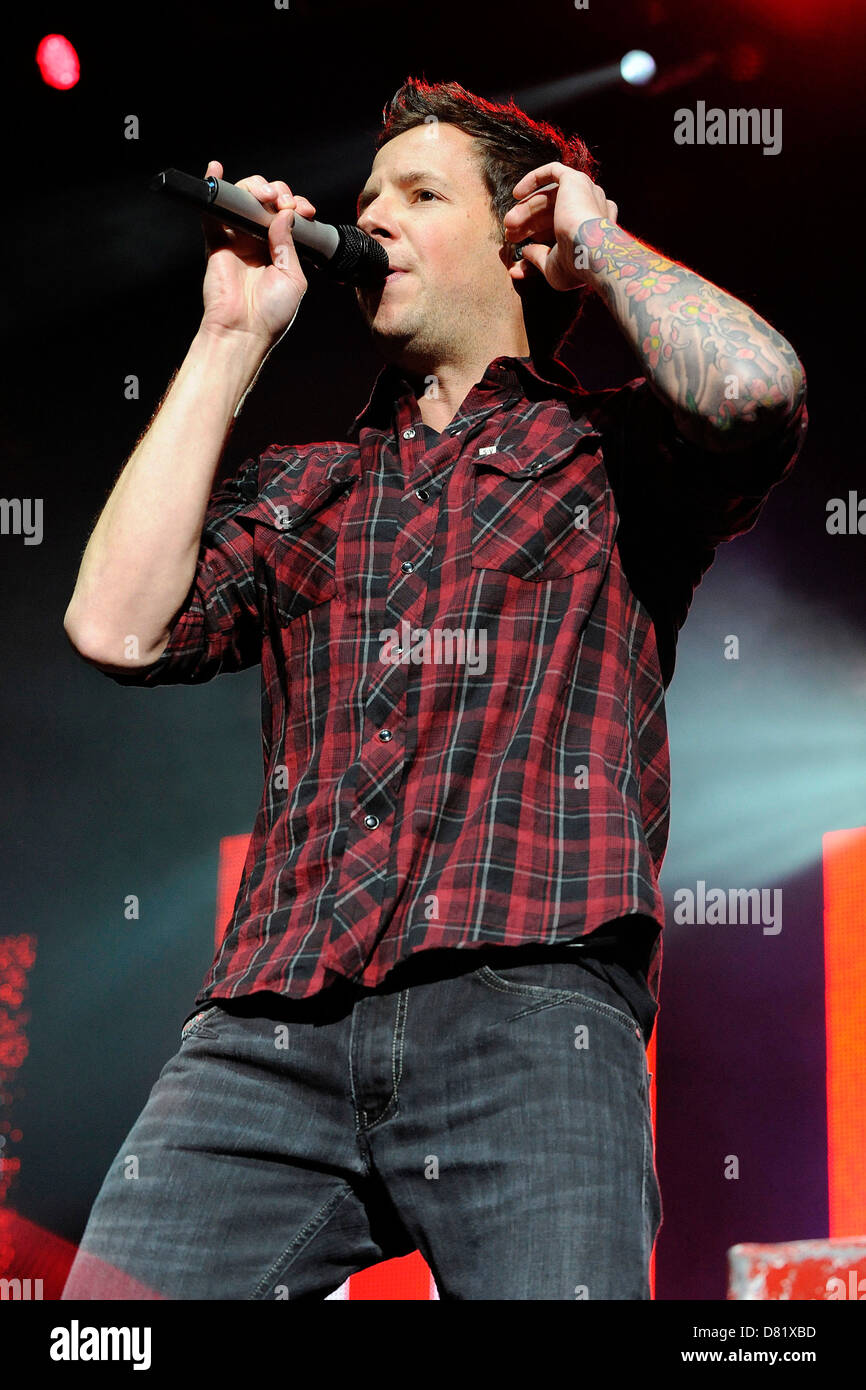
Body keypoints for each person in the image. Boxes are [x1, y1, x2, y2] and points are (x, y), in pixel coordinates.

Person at [61, 77, 807, 1301]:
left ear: (517, 241)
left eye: (419, 193)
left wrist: (600, 245)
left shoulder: (613, 455)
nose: (374, 220)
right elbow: (115, 626)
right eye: (366, 199)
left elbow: (752, 389)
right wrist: (231, 334)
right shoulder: (305, 483)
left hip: (531, 1004)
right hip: (269, 1022)